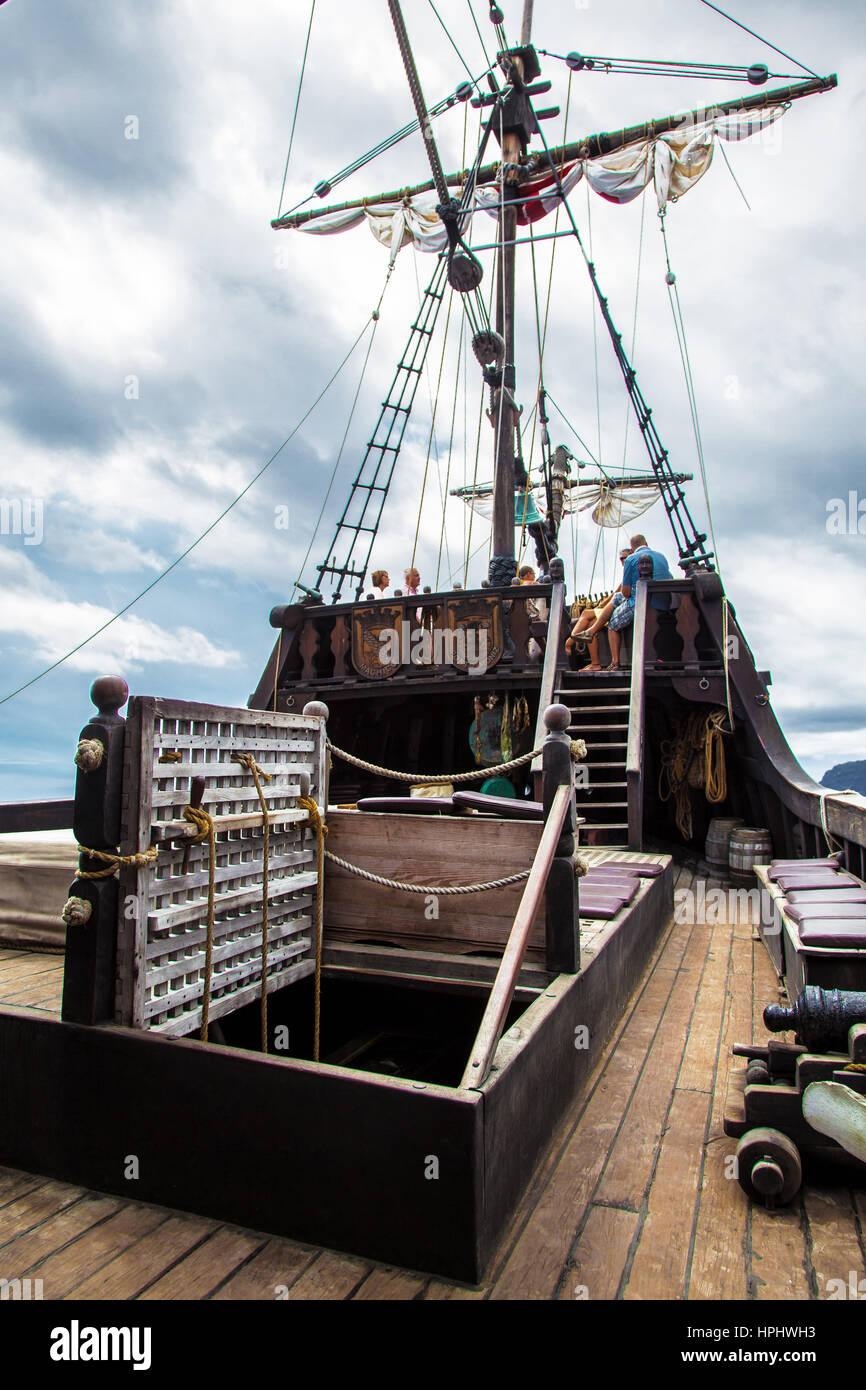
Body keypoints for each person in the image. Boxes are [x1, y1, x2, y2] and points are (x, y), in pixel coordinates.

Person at [579, 534, 672, 668]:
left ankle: (615, 662)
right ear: (645, 542)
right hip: (663, 603)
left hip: (641, 604)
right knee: (617, 598)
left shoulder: (631, 559)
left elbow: (626, 593)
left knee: (612, 624)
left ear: (633, 549)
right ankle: (592, 630)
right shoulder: (662, 556)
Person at [566, 547, 632, 671]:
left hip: (621, 606)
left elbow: (617, 595)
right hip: (618, 605)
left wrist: (601, 606)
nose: (623, 560)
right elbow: (615, 594)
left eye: (626, 558)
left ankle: (570, 642)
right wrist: (601, 605)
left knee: (586, 613)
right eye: (621, 558)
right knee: (590, 622)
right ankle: (595, 664)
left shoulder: (630, 572)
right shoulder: (628, 573)